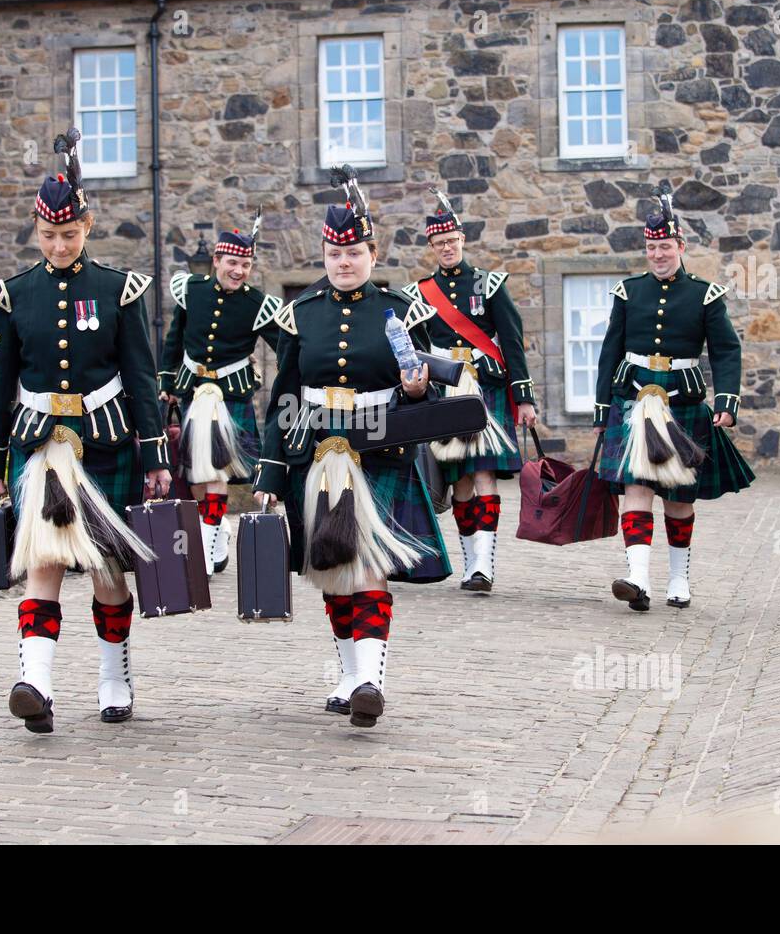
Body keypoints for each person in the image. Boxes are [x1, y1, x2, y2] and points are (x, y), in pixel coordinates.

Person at [0, 127, 171, 733]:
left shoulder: (118, 290)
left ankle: (114, 676)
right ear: (35, 231)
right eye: (47, 236)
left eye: (68, 235)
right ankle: (34, 681)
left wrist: (155, 454)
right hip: (37, 442)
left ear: (87, 227)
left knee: (109, 572)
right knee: (44, 562)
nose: (58, 246)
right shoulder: (14, 296)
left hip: (106, 440)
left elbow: (141, 376)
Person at [252, 166, 450, 729]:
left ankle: (370, 679)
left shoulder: (399, 310)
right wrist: (269, 472)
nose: (344, 262)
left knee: (368, 567)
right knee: (333, 569)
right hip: (314, 453)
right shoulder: (300, 315)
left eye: (355, 253)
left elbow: (426, 382)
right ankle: (347, 672)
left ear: (372, 251)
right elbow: (284, 393)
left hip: (380, 451)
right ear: (324, 254)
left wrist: (419, 387)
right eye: (335, 254)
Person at [593, 192, 755, 612]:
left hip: (682, 401)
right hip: (633, 399)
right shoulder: (628, 292)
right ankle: (638, 578)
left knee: (679, 497)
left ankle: (679, 578)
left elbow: (725, 351)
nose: (658, 254)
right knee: (637, 486)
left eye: (665, 247)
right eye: (651, 248)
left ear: (681, 247)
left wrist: (727, 400)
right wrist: (601, 407)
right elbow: (610, 351)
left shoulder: (706, 295)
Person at [401, 189, 538, 593]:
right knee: (460, 480)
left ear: (462, 240)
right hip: (446, 390)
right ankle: (470, 563)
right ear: (432, 246)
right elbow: (413, 347)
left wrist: (525, 397)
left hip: (486, 386)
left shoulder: (490, 284)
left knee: (483, 477)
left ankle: (484, 565)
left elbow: (512, 341)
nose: (446, 248)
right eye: (439, 243)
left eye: (452, 241)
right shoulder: (420, 293)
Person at [157, 213, 282, 574]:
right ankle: (218, 529)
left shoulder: (257, 303)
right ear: (216, 261)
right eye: (232, 262)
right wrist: (166, 383)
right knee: (197, 476)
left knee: (214, 474)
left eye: (246, 264)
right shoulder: (191, 291)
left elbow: (283, 347)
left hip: (231, 395)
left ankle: (208, 549)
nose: (239, 270)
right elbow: (174, 340)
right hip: (192, 392)